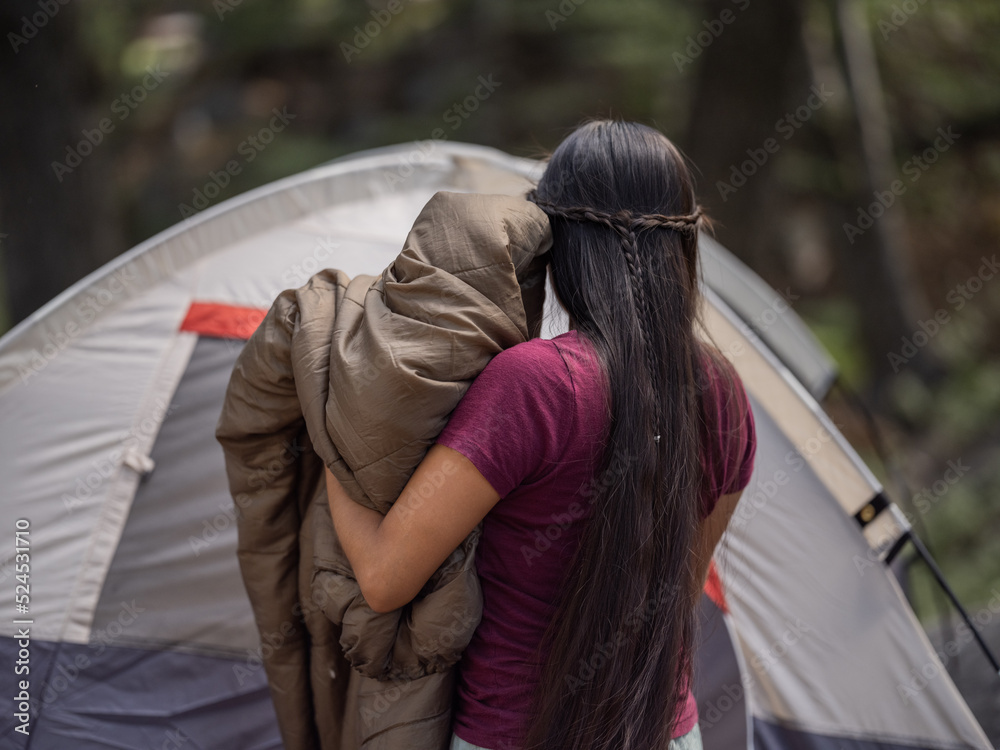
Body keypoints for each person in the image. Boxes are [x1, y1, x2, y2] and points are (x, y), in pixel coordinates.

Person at [324, 119, 757, 750]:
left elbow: (387, 577)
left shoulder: (537, 386)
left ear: (556, 244)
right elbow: (677, 595)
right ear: (686, 244)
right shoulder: (724, 394)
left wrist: (334, 445)